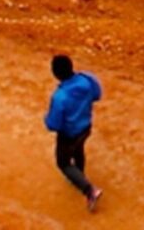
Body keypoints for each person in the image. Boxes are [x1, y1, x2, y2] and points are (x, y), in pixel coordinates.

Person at [45, 52, 102, 211]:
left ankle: (89, 190)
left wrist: (46, 119)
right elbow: (97, 95)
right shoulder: (88, 79)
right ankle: (79, 175)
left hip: (68, 135)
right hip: (86, 127)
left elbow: (53, 124)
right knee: (78, 150)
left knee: (63, 163)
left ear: (55, 74)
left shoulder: (60, 96)